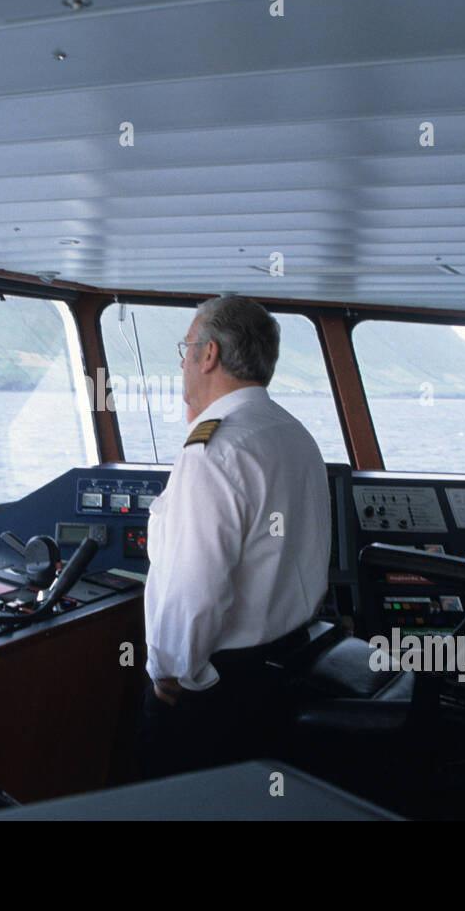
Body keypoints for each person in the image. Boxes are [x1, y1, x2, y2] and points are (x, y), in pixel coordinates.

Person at [137, 296, 331, 779]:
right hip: (287, 666)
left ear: (209, 355)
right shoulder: (293, 433)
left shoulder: (214, 450)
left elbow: (193, 590)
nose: (182, 364)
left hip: (219, 690)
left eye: (186, 349)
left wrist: (171, 672)